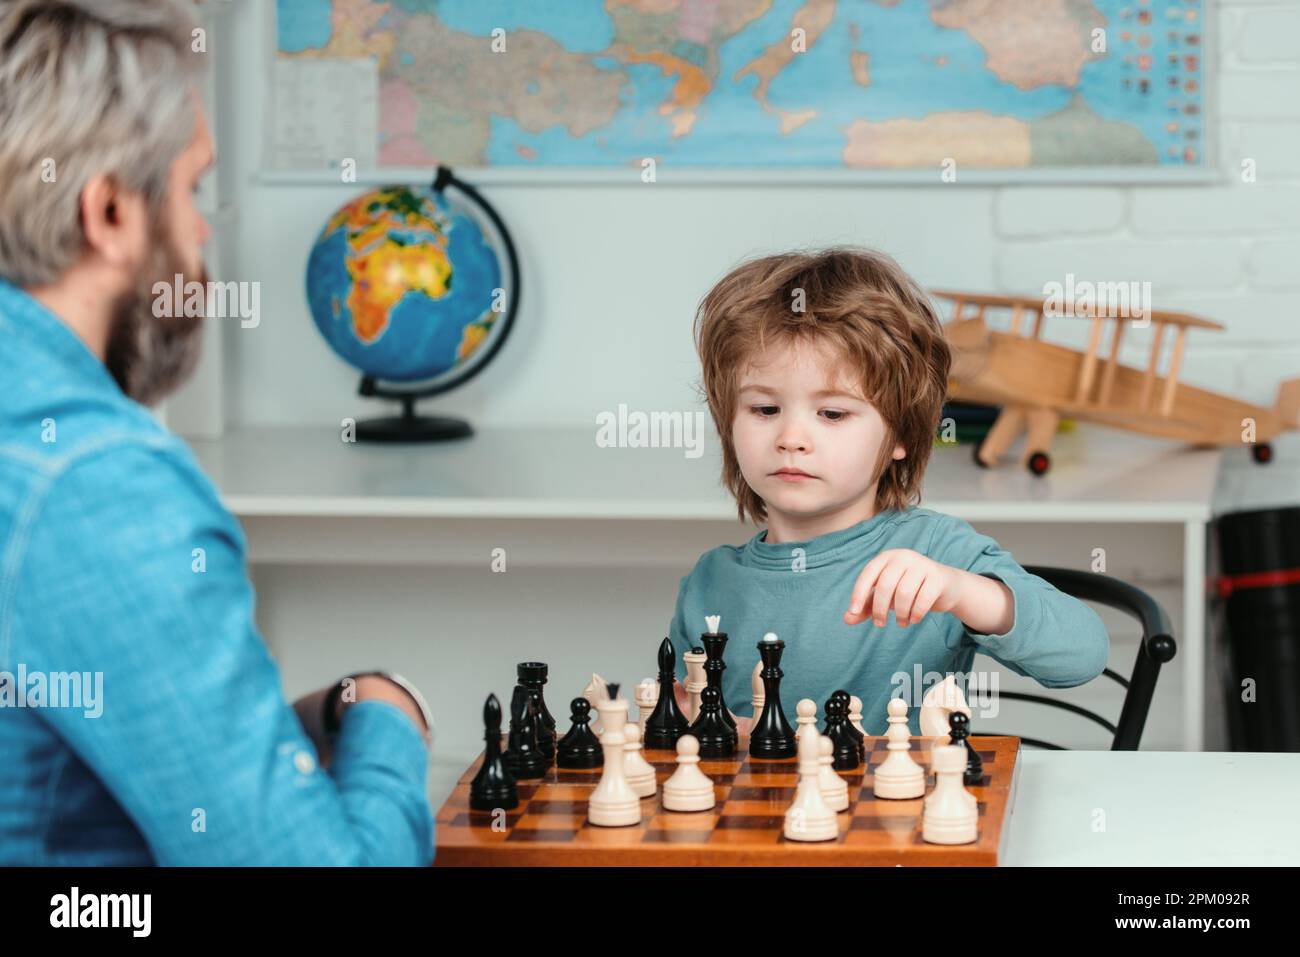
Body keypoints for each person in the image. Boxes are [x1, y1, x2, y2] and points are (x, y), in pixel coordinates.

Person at [0, 0, 435, 865]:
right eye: (191, 189)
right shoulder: (100, 484)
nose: (202, 230)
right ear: (111, 212)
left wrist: (284, 731)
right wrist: (390, 715)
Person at [668, 247, 1110, 734]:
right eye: (764, 410)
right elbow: (684, 729)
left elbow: (1083, 655)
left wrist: (963, 592)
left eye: (832, 414)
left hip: (898, 808)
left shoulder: (937, 555)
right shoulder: (709, 583)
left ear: (900, 435)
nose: (790, 438)